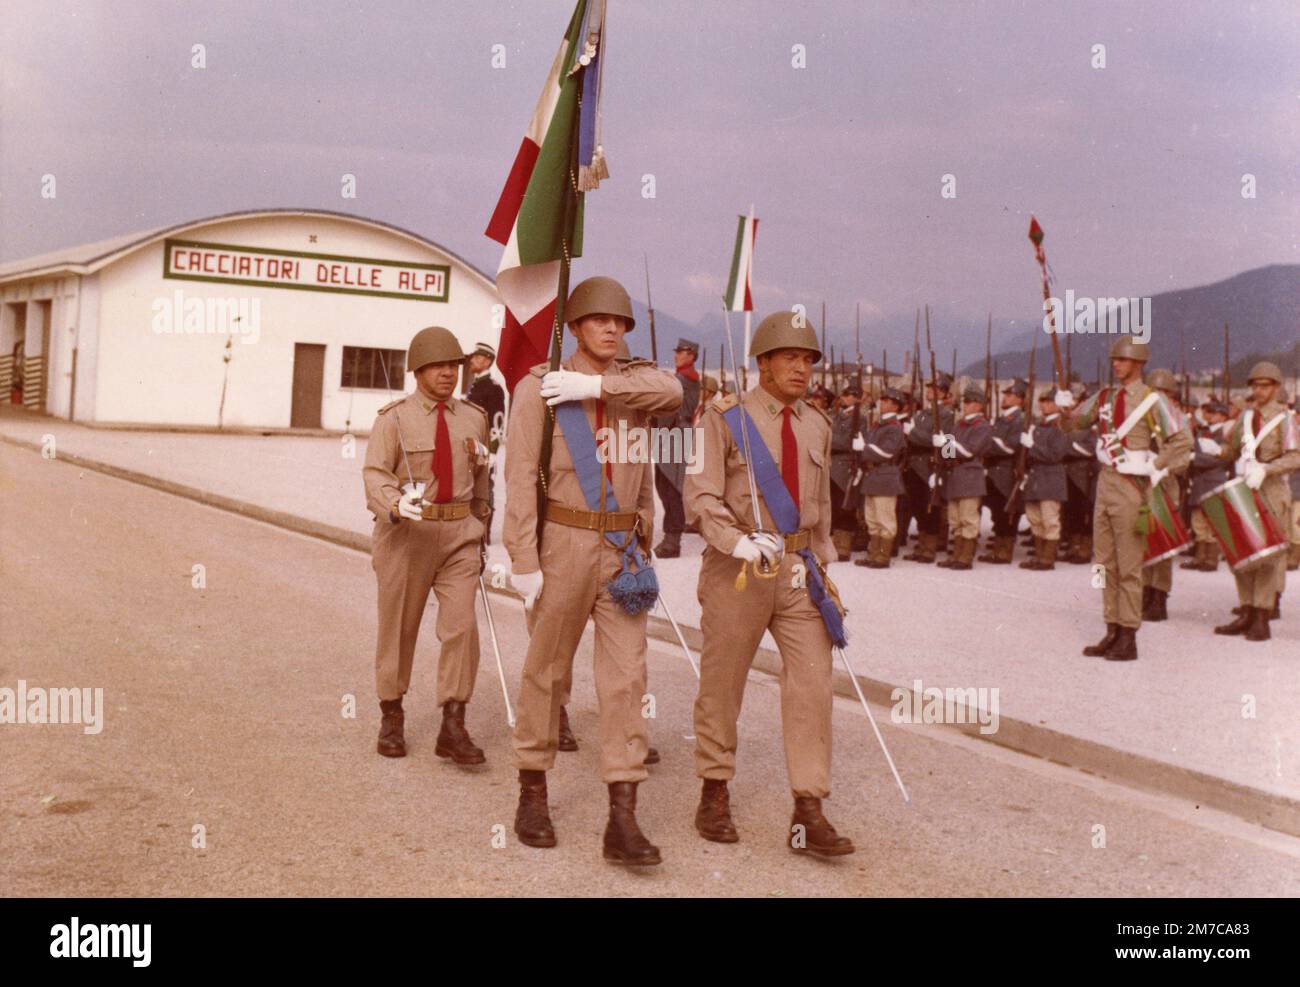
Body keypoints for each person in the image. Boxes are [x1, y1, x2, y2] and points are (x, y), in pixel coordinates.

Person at [503, 276, 681, 864]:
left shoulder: (633, 386)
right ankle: (533, 787)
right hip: (564, 546)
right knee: (547, 672)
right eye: (599, 320)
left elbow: (674, 393)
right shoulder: (541, 389)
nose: (612, 328)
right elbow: (520, 477)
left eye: (620, 322)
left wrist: (597, 383)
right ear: (575, 326)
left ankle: (621, 819)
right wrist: (523, 560)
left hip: (622, 550)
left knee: (627, 678)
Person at [686, 310, 854, 857]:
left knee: (812, 686)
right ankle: (714, 789)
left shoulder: (817, 424)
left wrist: (824, 565)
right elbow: (702, 494)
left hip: (799, 570)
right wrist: (733, 540)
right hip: (739, 567)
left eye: (808, 359)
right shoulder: (722, 417)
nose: (801, 368)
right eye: (790, 358)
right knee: (723, 681)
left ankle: (808, 811)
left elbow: (821, 505)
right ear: (763, 362)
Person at [362, 326, 491, 763]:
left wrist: (483, 526)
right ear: (417, 370)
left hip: (459, 535)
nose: (447, 374)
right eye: (436, 366)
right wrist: (396, 504)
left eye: (453, 365)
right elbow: (375, 475)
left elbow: (481, 479)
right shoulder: (393, 419)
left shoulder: (474, 417)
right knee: (399, 627)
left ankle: (453, 724)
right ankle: (391, 713)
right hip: (407, 535)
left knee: (462, 629)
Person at [1070, 339, 1192, 660]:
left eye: (1122, 360)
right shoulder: (1106, 398)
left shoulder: (1152, 401)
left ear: (1138, 364)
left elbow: (1182, 439)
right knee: (1103, 563)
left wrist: (1155, 465)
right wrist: (1067, 406)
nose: (1116, 365)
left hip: (1131, 486)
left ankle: (1128, 634)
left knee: (1129, 564)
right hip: (1106, 483)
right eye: (1114, 360)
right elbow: (1074, 424)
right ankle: (1110, 627)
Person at [1212, 362, 1300, 641]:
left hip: (1272, 489)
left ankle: (1262, 615)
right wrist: (1214, 451)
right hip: (1245, 488)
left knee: (1267, 554)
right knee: (1241, 549)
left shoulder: (1284, 419)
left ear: (1275, 388)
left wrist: (1266, 469)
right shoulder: (1246, 418)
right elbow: (1232, 449)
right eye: (1255, 385)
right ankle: (1247, 610)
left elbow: (1295, 456)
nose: (1259, 391)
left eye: (1265, 386)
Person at [652, 338, 702, 559]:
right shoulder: (681, 377)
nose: (676, 355)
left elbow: (669, 404)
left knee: (672, 489)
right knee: (665, 485)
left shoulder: (685, 378)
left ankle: (672, 541)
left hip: (675, 435)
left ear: (691, 355)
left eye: (681, 352)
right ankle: (675, 531)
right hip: (671, 435)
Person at [936, 386, 992, 570]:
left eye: (968, 402)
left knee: (968, 519)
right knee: (955, 518)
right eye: (964, 402)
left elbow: (970, 451)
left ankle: (965, 557)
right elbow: (948, 453)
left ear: (978, 405)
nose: (964, 405)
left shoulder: (982, 426)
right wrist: (944, 445)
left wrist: (947, 442)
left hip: (970, 475)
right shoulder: (957, 425)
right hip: (955, 476)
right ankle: (956, 555)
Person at [902, 373, 954, 563]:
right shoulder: (922, 414)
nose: (929, 392)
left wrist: (914, 433)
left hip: (931, 467)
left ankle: (929, 548)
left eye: (934, 389)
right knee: (917, 507)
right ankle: (922, 545)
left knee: (930, 508)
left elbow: (949, 449)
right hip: (915, 466)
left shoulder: (947, 415)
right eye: (929, 388)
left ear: (943, 393)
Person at [853, 386, 907, 568]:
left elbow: (887, 452)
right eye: (883, 400)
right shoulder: (879, 424)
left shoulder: (894, 427)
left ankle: (883, 556)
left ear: (896, 407)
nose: (882, 403)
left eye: (888, 401)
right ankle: (873, 553)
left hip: (885, 475)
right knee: (872, 518)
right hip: (873, 475)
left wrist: (864, 449)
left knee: (885, 519)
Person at [1018, 389, 1070, 570]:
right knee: (1035, 519)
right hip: (1035, 478)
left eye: (1048, 401)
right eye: (1042, 401)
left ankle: (1047, 559)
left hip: (1050, 478)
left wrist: (1032, 446)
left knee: (1050, 520)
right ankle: (1039, 556)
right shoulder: (1039, 426)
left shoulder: (1060, 427)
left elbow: (1055, 455)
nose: (1043, 405)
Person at [979, 379, 1027, 564]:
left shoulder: (1018, 420)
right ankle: (999, 548)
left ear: (1020, 400)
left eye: (1010, 395)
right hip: (993, 470)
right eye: (1005, 394)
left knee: (1007, 513)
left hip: (1006, 470)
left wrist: (990, 441)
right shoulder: (1002, 419)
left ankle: (1004, 552)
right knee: (997, 512)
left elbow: (1010, 447)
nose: (1005, 397)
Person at [1181, 399, 1231, 572]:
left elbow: (1222, 459)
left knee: (1212, 521)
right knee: (1198, 521)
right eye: (1209, 412)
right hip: (1200, 481)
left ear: (1223, 416)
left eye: (1214, 412)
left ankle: (1211, 559)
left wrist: (1196, 459)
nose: (1210, 415)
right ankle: (1200, 556)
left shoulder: (1226, 435)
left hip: (1214, 480)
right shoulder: (1203, 432)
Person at [829, 383, 865, 561]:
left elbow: (946, 438)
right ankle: (835, 542)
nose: (843, 396)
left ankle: (845, 545)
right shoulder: (839, 415)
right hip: (833, 464)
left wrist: (948, 459)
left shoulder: (948, 416)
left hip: (845, 464)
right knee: (834, 504)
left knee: (846, 505)